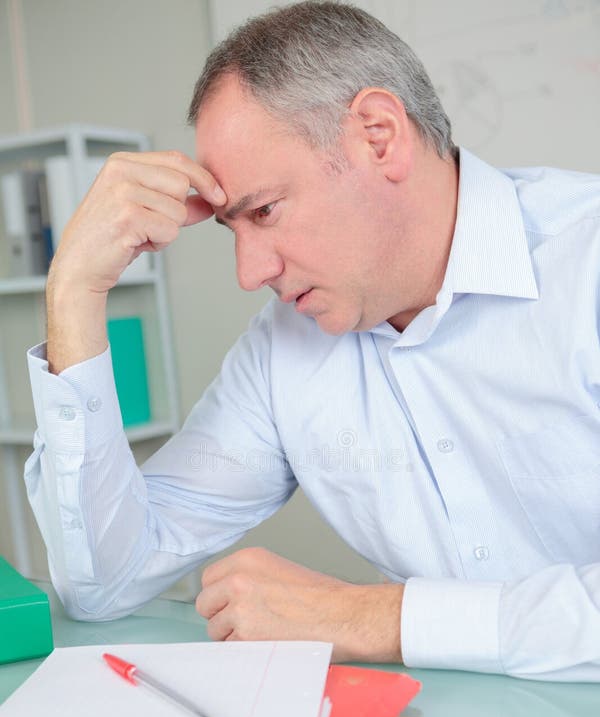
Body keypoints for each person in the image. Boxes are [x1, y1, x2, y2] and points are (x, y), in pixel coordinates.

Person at [25, 1, 600, 680]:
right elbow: (105, 582)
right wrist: (73, 294)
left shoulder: (585, 263)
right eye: (233, 229)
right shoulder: (283, 349)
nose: (250, 273)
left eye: (264, 212)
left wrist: (367, 617)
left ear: (379, 137)